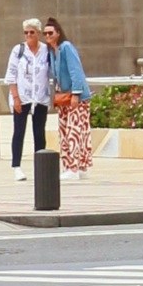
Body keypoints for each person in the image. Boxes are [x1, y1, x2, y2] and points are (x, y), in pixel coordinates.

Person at [43, 18, 92, 176]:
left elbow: (75, 70)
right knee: (65, 132)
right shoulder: (52, 52)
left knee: (75, 132)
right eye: (45, 34)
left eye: (50, 33)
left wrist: (76, 94)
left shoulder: (66, 48)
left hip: (76, 96)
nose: (48, 36)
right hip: (64, 97)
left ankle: (74, 167)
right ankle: (77, 167)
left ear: (58, 33)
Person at [5, 19, 53, 175]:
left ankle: (41, 167)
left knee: (39, 132)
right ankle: (16, 166)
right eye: (26, 32)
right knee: (19, 131)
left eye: (32, 32)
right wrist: (16, 97)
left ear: (38, 33)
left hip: (40, 97)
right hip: (22, 97)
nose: (28, 35)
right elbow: (11, 75)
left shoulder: (46, 51)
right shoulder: (18, 50)